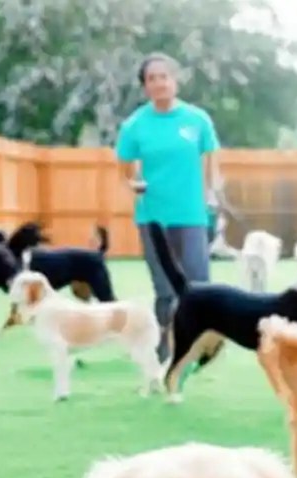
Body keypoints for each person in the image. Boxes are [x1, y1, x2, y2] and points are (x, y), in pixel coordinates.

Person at [115, 52, 222, 362]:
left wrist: (213, 193)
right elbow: (124, 170)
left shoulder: (197, 120)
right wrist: (133, 183)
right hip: (153, 217)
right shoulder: (135, 126)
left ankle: (205, 346)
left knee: (199, 284)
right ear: (145, 86)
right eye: (152, 78)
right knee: (165, 289)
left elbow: (211, 161)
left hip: (191, 215)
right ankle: (167, 348)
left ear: (175, 80)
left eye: (165, 76)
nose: (159, 83)